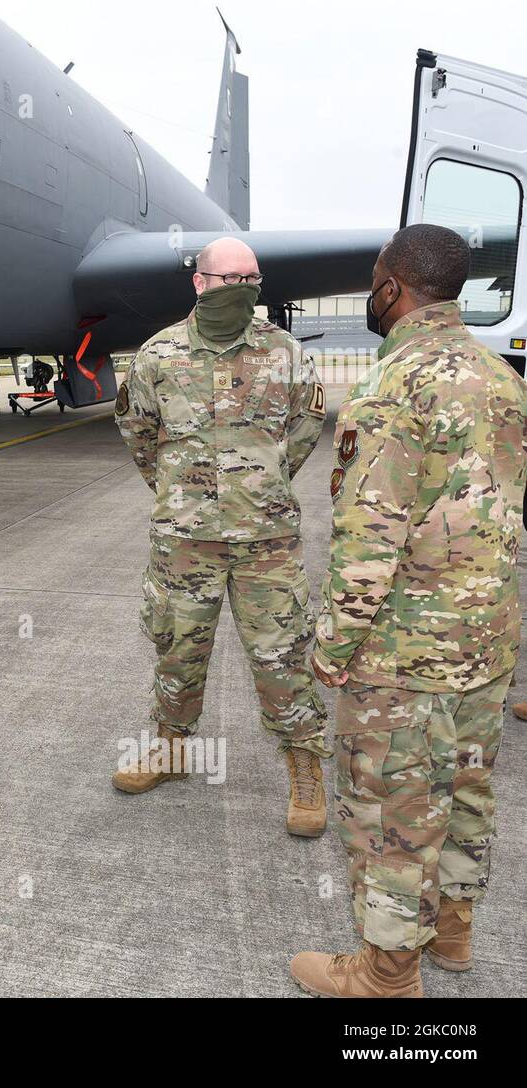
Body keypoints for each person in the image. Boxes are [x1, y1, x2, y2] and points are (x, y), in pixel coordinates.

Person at [291, 223, 527, 997]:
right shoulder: (500, 376)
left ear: (392, 287)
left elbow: (371, 538)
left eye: (372, 278)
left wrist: (331, 647)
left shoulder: (394, 385)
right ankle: (453, 933)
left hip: (404, 649)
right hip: (486, 638)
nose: (370, 291)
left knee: (394, 801)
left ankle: (389, 973)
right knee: (464, 783)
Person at [113, 237, 329, 835]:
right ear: (199, 282)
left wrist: (263, 482)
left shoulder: (283, 353)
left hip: (267, 540)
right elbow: (139, 432)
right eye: (229, 276)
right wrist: (183, 493)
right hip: (186, 541)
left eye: (252, 276)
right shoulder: (157, 355)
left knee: (282, 653)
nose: (243, 285)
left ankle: (304, 767)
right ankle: (171, 748)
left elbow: (306, 427)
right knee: (177, 649)